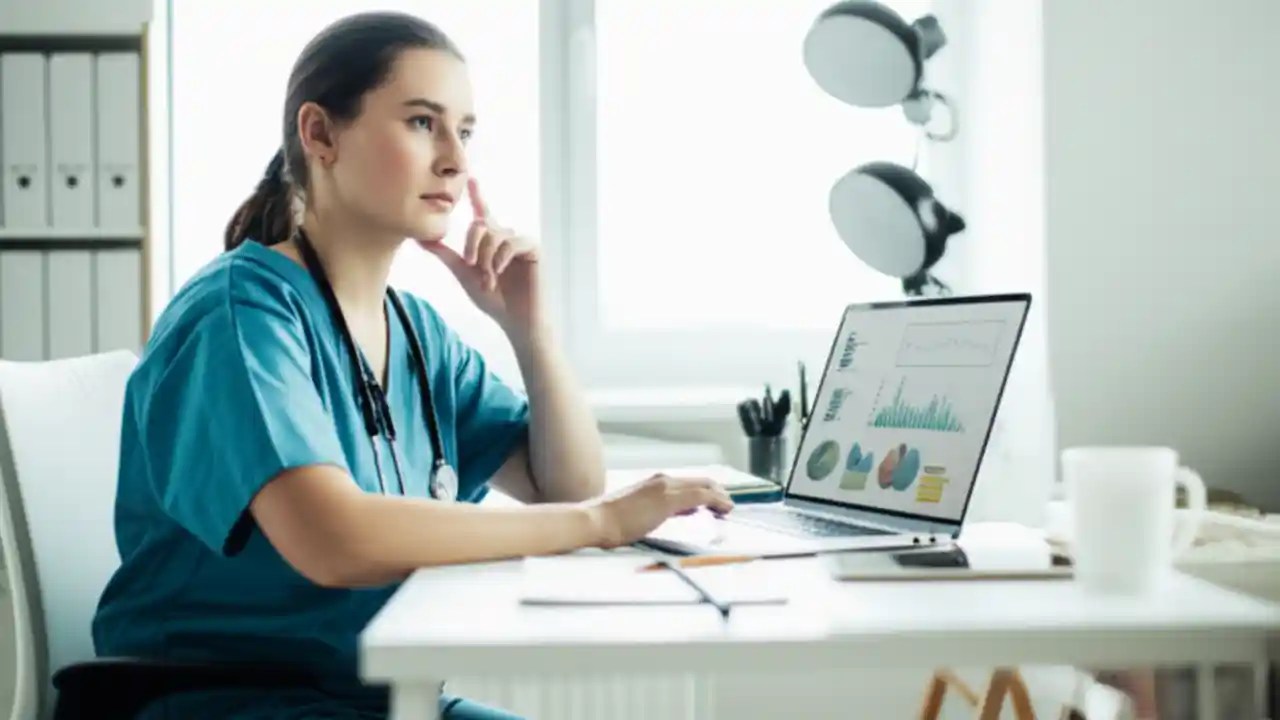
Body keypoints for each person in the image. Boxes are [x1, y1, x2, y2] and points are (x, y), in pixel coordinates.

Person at [90, 11, 734, 720]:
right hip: (224, 701)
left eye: (466, 130)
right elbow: (335, 541)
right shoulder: (242, 314)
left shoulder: (418, 334)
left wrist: (530, 331)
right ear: (320, 134)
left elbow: (563, 484)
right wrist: (602, 522)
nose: (456, 159)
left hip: (377, 699)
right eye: (424, 123)